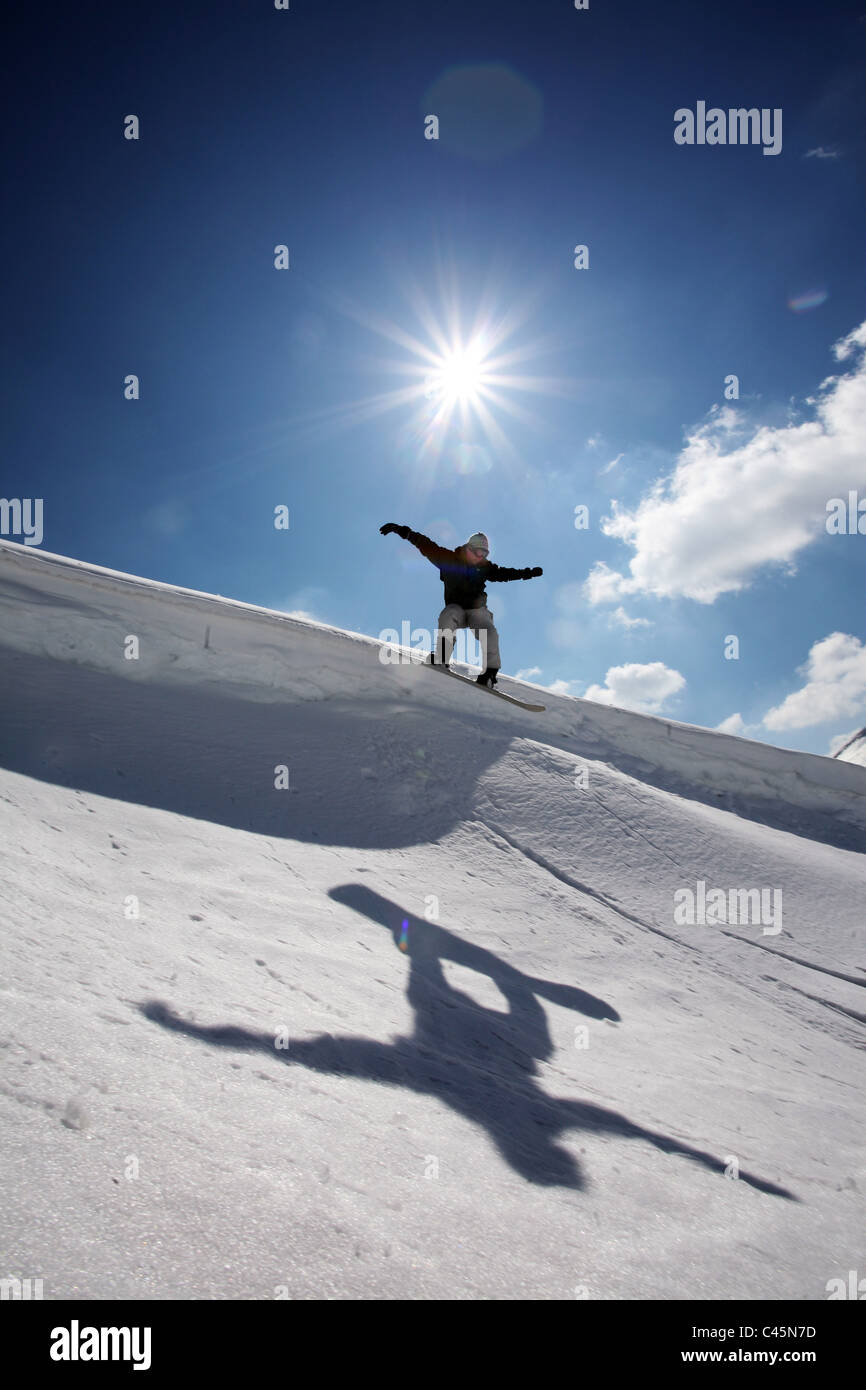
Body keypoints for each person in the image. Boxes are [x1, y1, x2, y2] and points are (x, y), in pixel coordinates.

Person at [379, 523, 542, 686]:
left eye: (484, 554)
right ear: (468, 548)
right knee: (448, 614)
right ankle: (442, 657)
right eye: (478, 552)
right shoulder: (449, 560)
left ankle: (490, 673)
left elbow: (506, 574)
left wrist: (527, 573)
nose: (480, 557)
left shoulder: (485, 567)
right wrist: (402, 531)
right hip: (456, 610)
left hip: (477, 611)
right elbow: (426, 545)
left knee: (489, 631)